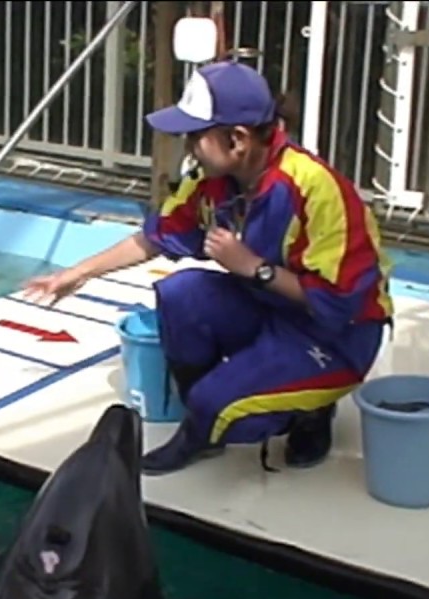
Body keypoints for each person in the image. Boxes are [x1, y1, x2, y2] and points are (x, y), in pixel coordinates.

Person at [23, 60, 394, 476]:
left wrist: (254, 267)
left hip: (337, 335)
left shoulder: (318, 191)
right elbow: (156, 236)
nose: (188, 148)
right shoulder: (212, 181)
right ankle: (208, 422)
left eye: (194, 137)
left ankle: (307, 409)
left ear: (236, 139)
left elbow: (339, 304)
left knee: (225, 408)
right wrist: (77, 273)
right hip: (269, 307)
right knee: (181, 294)